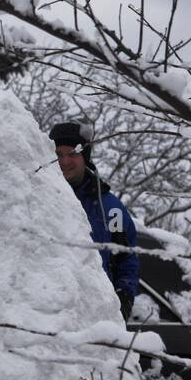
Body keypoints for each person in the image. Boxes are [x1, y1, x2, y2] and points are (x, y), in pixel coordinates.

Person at [50, 120, 138, 320]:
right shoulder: (36, 197)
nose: (64, 161)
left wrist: (124, 297)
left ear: (84, 156)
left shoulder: (111, 209)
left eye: (72, 154)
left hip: (97, 318)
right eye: (57, 155)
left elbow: (126, 260)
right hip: (48, 314)